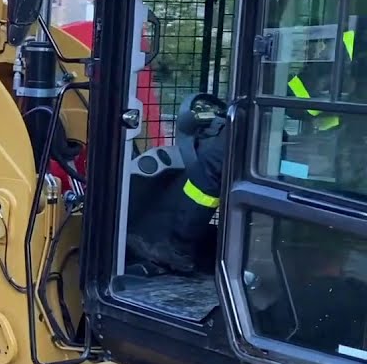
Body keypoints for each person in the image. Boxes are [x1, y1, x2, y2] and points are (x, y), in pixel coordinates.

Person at [127, 29, 356, 273]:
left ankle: (177, 246)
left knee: (221, 156)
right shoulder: (354, 37)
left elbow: (303, 102)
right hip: (345, 151)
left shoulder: (352, 39)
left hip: (333, 160)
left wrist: (266, 93)